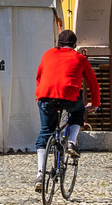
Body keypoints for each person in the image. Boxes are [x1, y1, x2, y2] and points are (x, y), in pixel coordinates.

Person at [32, 30, 101, 194]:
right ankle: (71, 140)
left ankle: (40, 174)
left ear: (58, 43)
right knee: (78, 112)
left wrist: (42, 94)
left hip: (45, 95)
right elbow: (93, 83)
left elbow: (39, 77)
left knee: (45, 131)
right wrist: (95, 104)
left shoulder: (47, 54)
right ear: (75, 45)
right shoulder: (80, 58)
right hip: (68, 96)